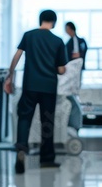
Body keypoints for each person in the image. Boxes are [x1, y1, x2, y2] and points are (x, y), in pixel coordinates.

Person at [4, 9, 68, 174]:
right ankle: (46, 159)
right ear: (53, 22)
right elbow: (61, 70)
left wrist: (9, 77)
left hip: (30, 85)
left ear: (40, 20)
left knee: (24, 117)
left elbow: (17, 56)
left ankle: (21, 150)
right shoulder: (58, 41)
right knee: (47, 121)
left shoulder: (29, 35)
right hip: (48, 87)